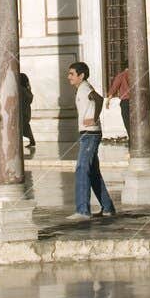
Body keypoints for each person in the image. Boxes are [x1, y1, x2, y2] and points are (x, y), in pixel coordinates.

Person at [66, 61, 115, 220]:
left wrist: (94, 118)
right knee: (93, 172)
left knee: (81, 169)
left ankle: (82, 211)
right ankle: (108, 208)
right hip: (87, 133)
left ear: (81, 75)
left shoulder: (85, 87)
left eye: (72, 74)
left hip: (90, 134)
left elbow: (99, 99)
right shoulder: (82, 88)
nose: (69, 77)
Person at [18, 72, 36, 153]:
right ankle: (32, 140)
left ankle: (31, 141)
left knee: (22, 126)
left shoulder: (21, 89)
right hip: (26, 112)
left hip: (22, 112)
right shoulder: (26, 89)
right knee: (25, 126)